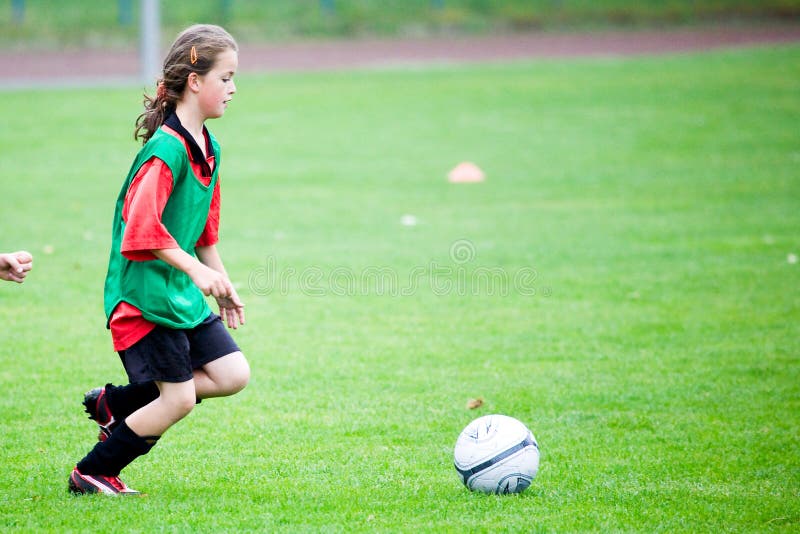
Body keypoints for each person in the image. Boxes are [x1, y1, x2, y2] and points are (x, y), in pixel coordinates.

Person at [69, 24, 250, 496]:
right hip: (144, 299)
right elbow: (140, 231)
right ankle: (93, 471)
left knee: (232, 374)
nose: (233, 89)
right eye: (225, 78)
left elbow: (205, 233)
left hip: (177, 295)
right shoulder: (165, 150)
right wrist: (196, 272)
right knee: (179, 399)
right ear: (195, 81)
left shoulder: (208, 147)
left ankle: (116, 404)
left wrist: (222, 283)